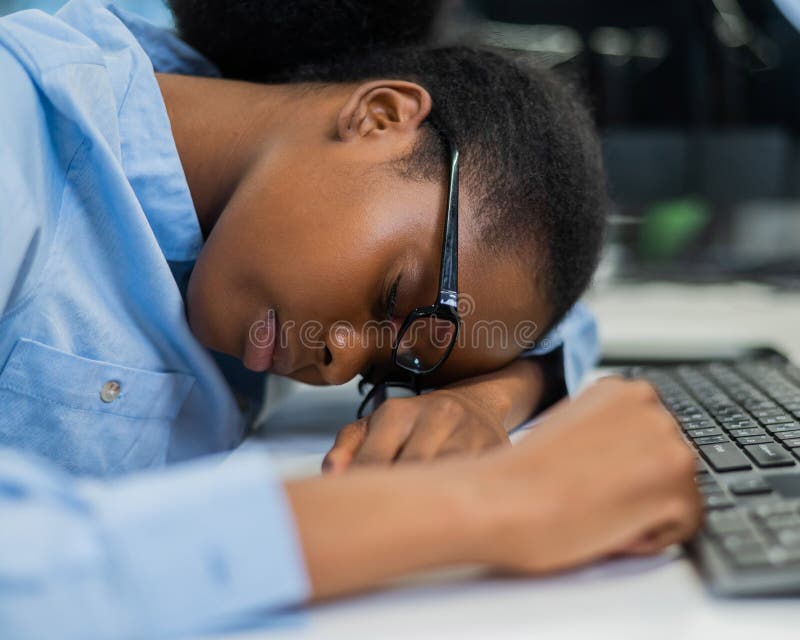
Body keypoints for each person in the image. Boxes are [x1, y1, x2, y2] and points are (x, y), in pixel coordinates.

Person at [0, 1, 702, 638]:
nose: (338, 361)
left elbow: (558, 324)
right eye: (392, 298)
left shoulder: (259, 214)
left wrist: (481, 401)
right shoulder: (18, 142)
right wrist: (483, 504)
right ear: (380, 117)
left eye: (382, 368)